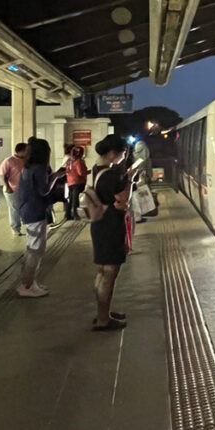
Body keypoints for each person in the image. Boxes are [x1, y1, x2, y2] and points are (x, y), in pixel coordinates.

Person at [91, 134, 130, 331]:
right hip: (110, 226)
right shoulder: (111, 175)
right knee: (110, 273)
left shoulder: (97, 169)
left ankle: (102, 313)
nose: (124, 156)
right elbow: (122, 202)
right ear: (114, 153)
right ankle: (103, 320)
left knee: (101, 271)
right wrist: (130, 180)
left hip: (99, 225)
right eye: (123, 153)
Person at [16, 138, 62, 297]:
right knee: (36, 250)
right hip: (36, 211)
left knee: (31, 248)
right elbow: (44, 190)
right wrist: (55, 176)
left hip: (28, 210)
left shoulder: (28, 167)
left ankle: (30, 282)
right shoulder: (40, 168)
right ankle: (27, 286)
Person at [0, 143, 27, 236]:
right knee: (15, 209)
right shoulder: (9, 161)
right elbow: (2, 175)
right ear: (20, 151)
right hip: (12, 189)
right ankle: (16, 229)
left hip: (23, 189)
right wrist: (7, 186)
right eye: (26, 150)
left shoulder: (25, 160)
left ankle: (26, 225)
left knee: (23, 208)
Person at [65, 145, 89, 220]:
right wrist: (88, 172)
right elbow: (81, 173)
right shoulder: (79, 161)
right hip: (78, 182)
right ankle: (75, 214)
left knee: (71, 198)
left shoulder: (69, 161)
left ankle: (68, 214)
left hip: (70, 182)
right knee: (75, 199)